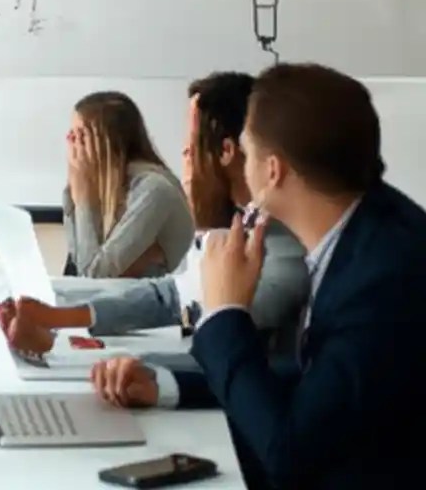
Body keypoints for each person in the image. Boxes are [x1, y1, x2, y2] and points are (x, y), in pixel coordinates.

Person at [90, 64, 426, 489]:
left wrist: (224, 312)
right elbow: (315, 389)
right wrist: (167, 386)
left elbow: (289, 451)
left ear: (273, 170)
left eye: (245, 150)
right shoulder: (369, 228)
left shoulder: (380, 280)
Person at [0, 72, 308, 359]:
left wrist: (150, 374)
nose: (184, 153)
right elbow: (172, 296)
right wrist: (55, 318)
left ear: (228, 151)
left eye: (193, 141)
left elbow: (218, 328)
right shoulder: (241, 221)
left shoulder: (281, 244)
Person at [61, 91, 193, 278]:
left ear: (108, 141)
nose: (71, 142)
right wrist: (72, 197)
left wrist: (83, 202)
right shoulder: (99, 188)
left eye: (81, 135)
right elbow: (78, 261)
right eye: (71, 134)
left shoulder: (154, 191)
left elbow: (93, 275)